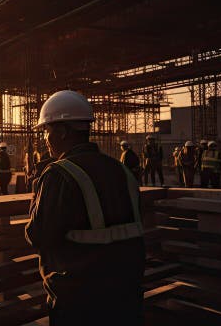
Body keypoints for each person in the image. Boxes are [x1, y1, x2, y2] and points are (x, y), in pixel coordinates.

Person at [25, 90, 145, 326]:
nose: (45, 139)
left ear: (62, 131)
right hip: (127, 295)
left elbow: (37, 236)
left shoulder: (59, 174)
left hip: (79, 301)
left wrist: (38, 186)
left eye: (47, 130)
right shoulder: (121, 171)